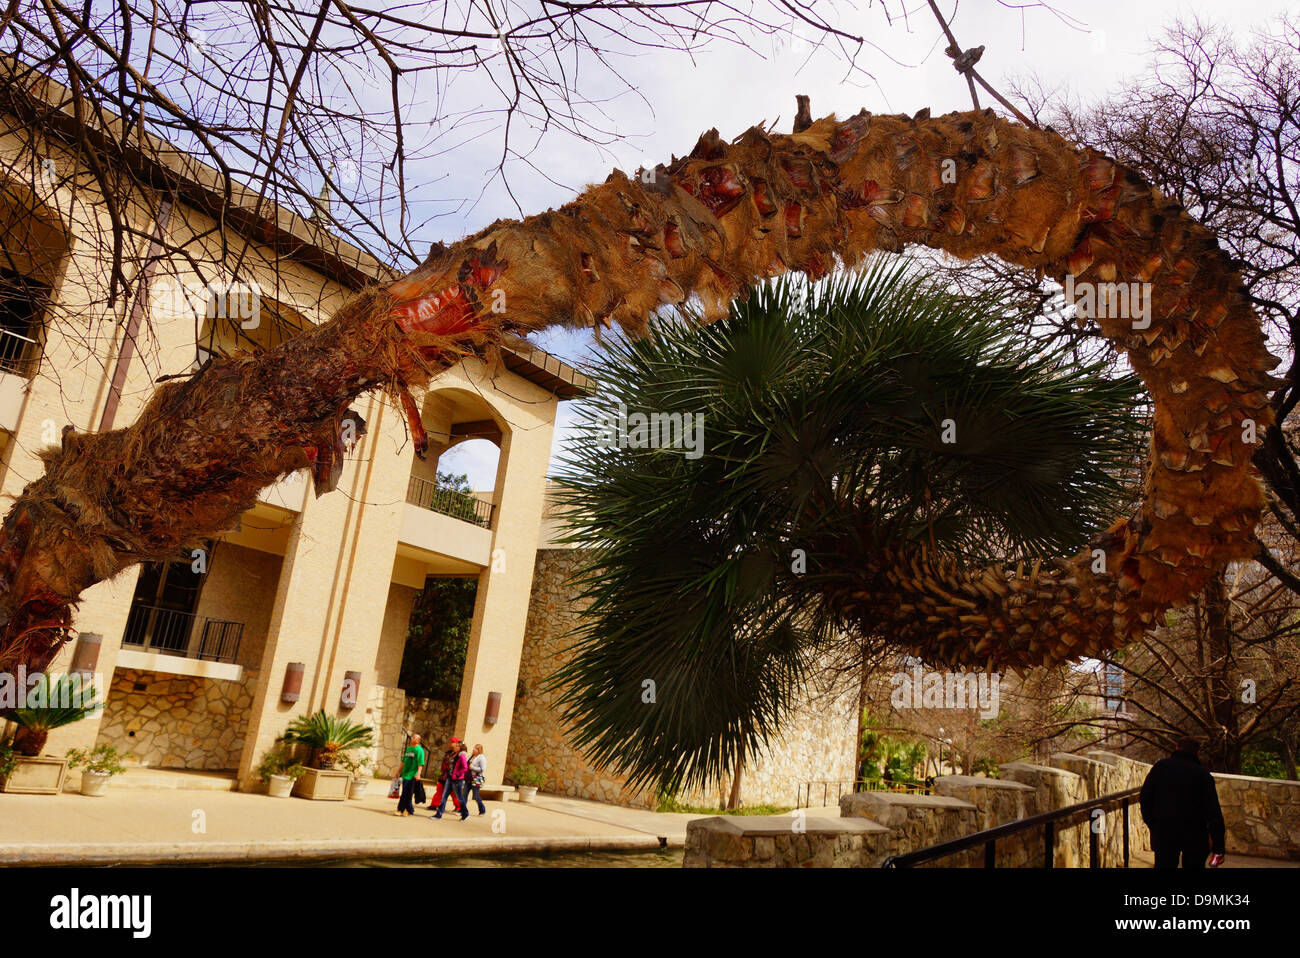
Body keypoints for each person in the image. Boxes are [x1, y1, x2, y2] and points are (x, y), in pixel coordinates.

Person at [1139, 736, 1227, 869]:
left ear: (1177, 748)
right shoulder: (1203, 775)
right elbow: (1213, 811)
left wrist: (1153, 824)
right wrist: (1218, 845)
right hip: (1195, 834)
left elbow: (1145, 797)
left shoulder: (1160, 767)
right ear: (1197, 753)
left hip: (1165, 831)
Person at [432, 742, 470, 821]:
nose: (455, 747)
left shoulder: (462, 755)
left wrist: (457, 774)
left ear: (461, 748)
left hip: (457, 780)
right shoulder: (453, 754)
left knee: (459, 798)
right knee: (444, 797)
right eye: (455, 746)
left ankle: (465, 814)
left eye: (457, 746)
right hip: (449, 778)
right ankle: (439, 814)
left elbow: (465, 768)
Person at [430, 737, 464, 814]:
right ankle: (434, 805)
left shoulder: (459, 754)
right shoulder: (448, 753)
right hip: (444, 776)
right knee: (439, 790)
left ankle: (459, 807)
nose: (450, 743)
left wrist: (456, 775)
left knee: (454, 794)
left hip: (452, 777)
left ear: (456, 744)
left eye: (452, 742)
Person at [394, 734, 426, 817]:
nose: (412, 738)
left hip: (413, 775)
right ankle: (410, 810)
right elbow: (403, 762)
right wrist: (398, 772)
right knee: (407, 793)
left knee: (406, 793)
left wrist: (418, 774)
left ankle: (400, 809)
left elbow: (420, 763)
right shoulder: (408, 749)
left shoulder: (419, 750)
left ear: (418, 740)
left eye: (414, 737)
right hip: (405, 774)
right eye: (412, 737)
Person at [466, 744, 487, 816]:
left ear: (479, 750)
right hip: (468, 778)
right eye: (474, 748)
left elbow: (482, 769)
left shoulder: (481, 757)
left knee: (476, 796)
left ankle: (482, 810)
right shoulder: (470, 756)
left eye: (476, 749)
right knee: (464, 795)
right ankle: (462, 810)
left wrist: (473, 768)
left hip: (476, 779)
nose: (474, 749)